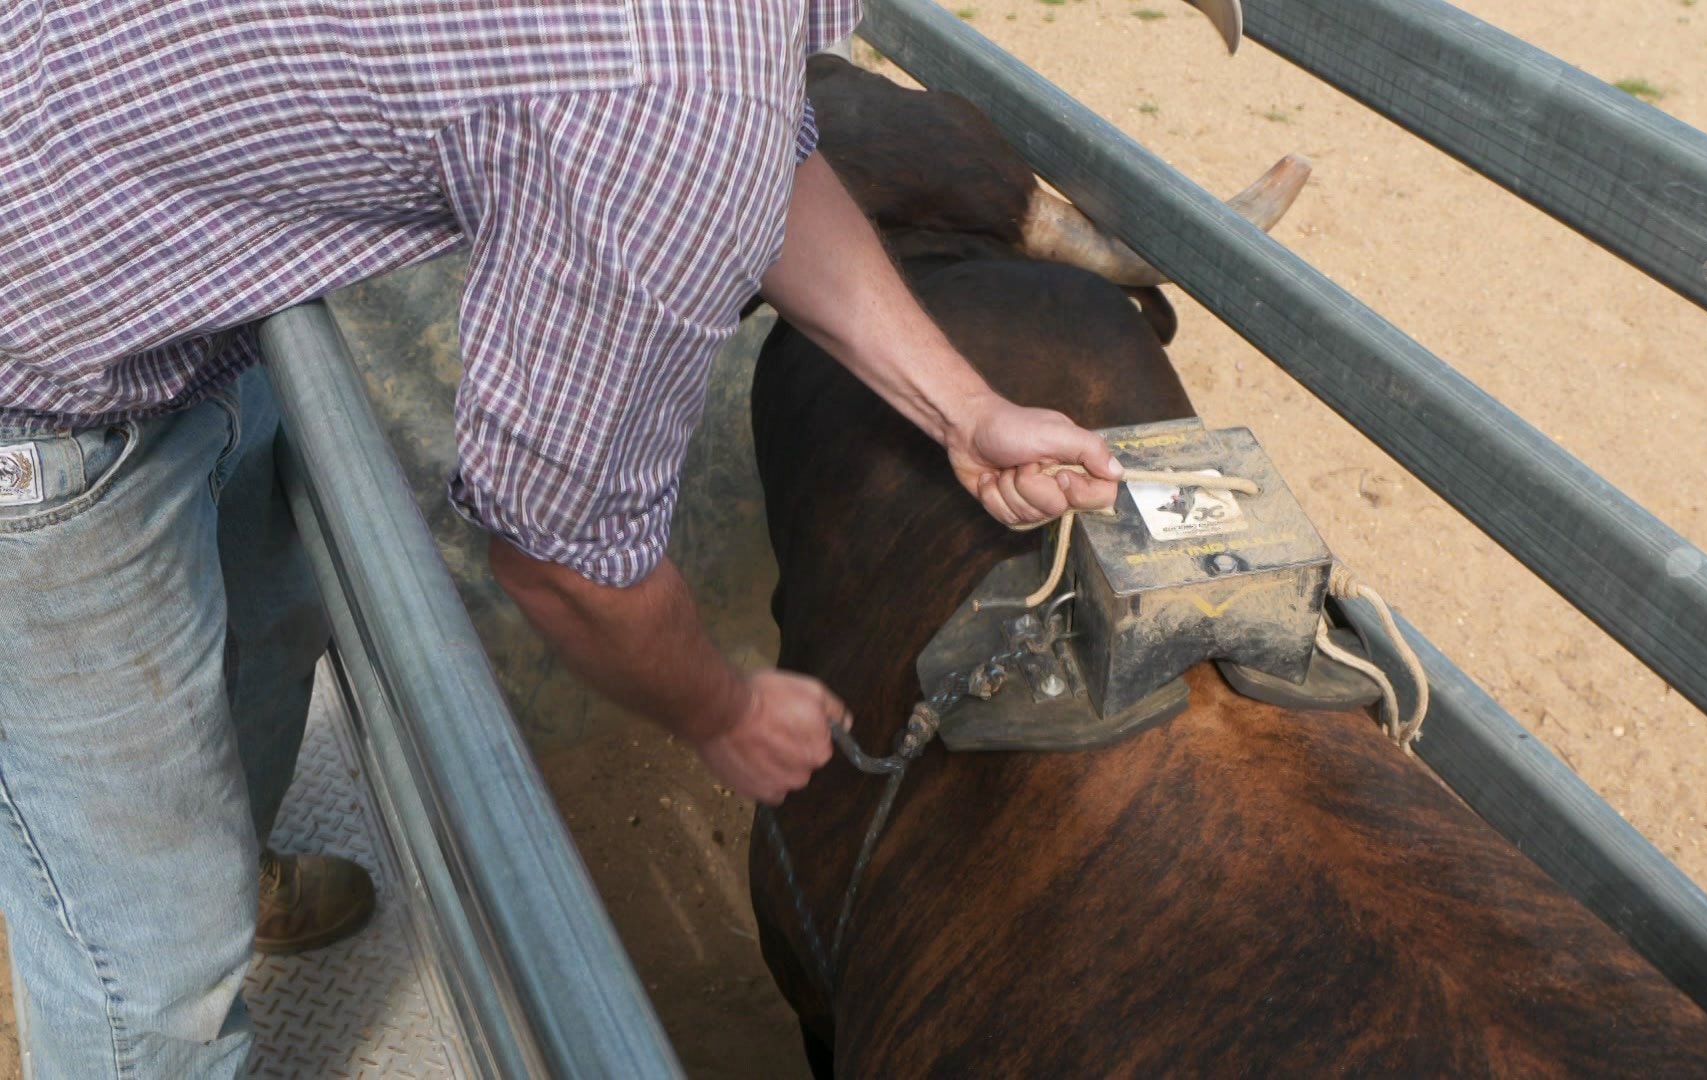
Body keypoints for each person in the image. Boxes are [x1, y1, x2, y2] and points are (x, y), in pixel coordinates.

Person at [0, 0, 1120, 1074]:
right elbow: (563, 558)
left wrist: (960, 409)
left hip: (153, 252)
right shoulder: (665, 80)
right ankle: (187, 920)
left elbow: (754, 141)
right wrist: (721, 711)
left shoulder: (698, 71)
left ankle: (235, 858)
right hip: (41, 377)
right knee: (147, 968)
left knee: (269, 627)